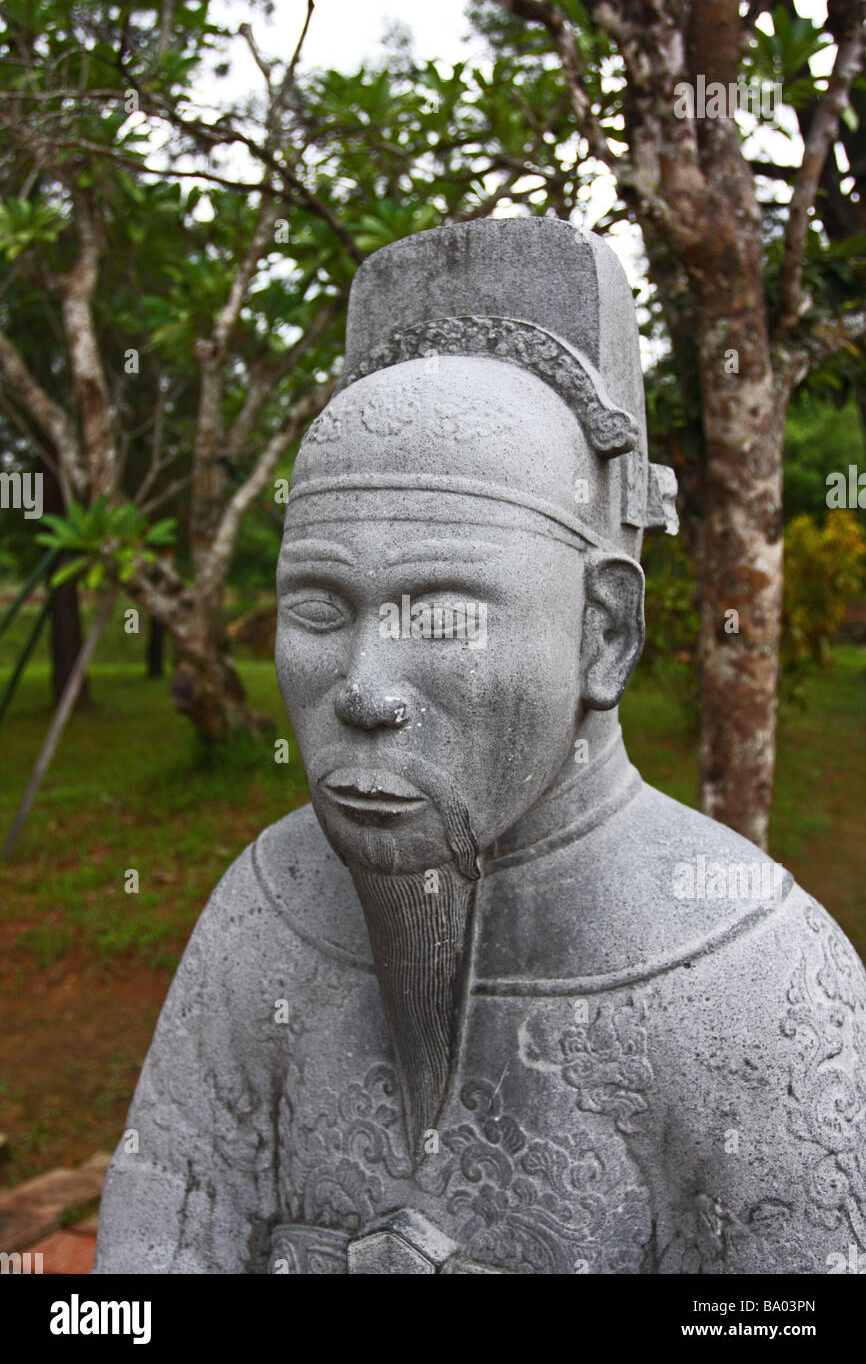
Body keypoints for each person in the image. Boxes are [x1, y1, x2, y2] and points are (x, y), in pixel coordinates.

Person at [93, 219, 866, 1275]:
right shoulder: (265, 911)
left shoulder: (760, 991)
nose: (364, 689)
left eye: (442, 615)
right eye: (320, 607)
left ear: (602, 631)